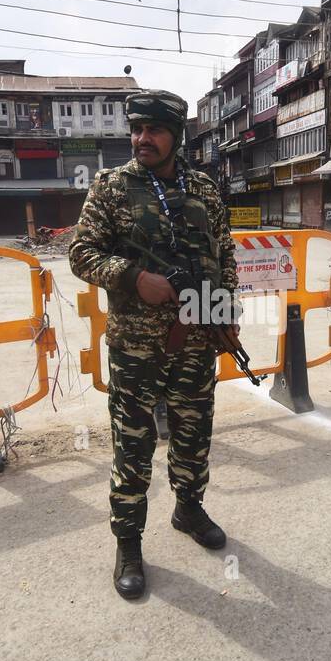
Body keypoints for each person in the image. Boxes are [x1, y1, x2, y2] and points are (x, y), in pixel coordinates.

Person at [69, 90, 240, 599]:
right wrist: (131, 276)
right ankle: (128, 542)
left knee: (194, 432)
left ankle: (188, 507)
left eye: (154, 130)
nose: (143, 139)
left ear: (177, 136)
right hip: (137, 347)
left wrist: (226, 315)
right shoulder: (112, 187)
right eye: (137, 129)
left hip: (195, 340)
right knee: (134, 445)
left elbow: (224, 255)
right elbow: (80, 253)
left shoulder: (205, 189)